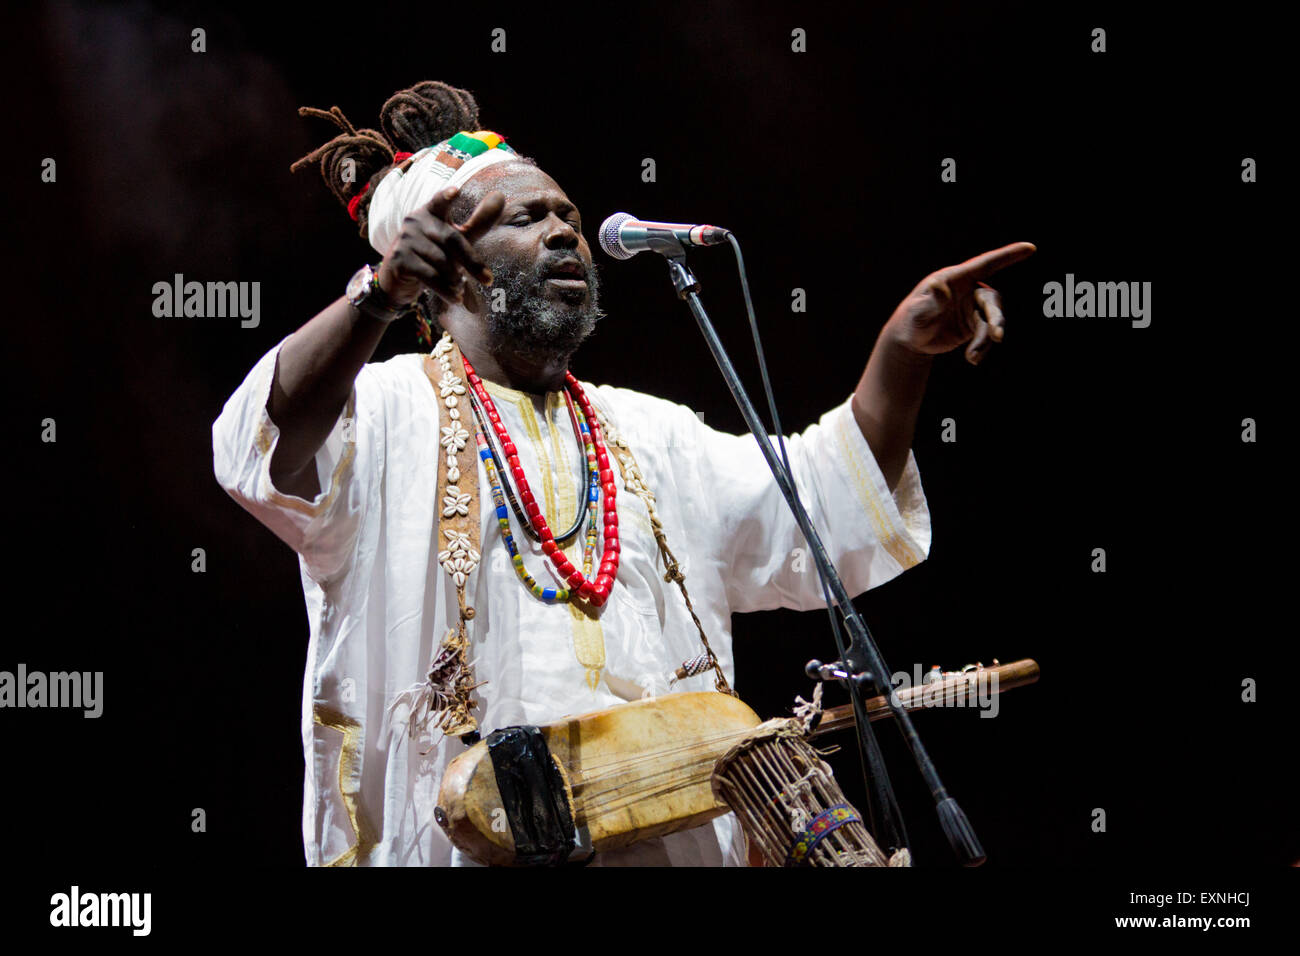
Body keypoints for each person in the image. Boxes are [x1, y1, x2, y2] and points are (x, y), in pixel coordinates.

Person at [211, 80, 1034, 866]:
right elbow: (260, 448)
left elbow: (821, 501)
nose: (564, 230)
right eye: (526, 217)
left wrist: (899, 353)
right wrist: (375, 300)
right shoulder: (384, 412)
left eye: (566, 213)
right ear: (443, 264)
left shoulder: (648, 432)